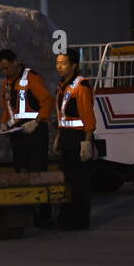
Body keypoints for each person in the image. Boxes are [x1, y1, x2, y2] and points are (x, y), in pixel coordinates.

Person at [0, 48, 56, 227]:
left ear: (15, 62)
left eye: (6, 68)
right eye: (1, 69)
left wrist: (37, 122)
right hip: (18, 133)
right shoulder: (7, 84)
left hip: (35, 132)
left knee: (38, 173)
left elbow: (47, 101)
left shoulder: (31, 78)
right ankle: (29, 215)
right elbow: (8, 109)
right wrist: (4, 124)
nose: (4, 72)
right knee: (21, 173)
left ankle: (44, 217)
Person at [53, 49, 97, 230]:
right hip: (67, 138)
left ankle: (79, 221)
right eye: (57, 63)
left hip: (79, 139)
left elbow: (88, 117)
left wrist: (87, 142)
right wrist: (59, 136)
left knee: (80, 183)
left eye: (63, 63)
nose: (59, 67)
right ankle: (66, 218)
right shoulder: (62, 86)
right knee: (68, 181)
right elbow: (63, 116)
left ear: (74, 65)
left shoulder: (81, 85)